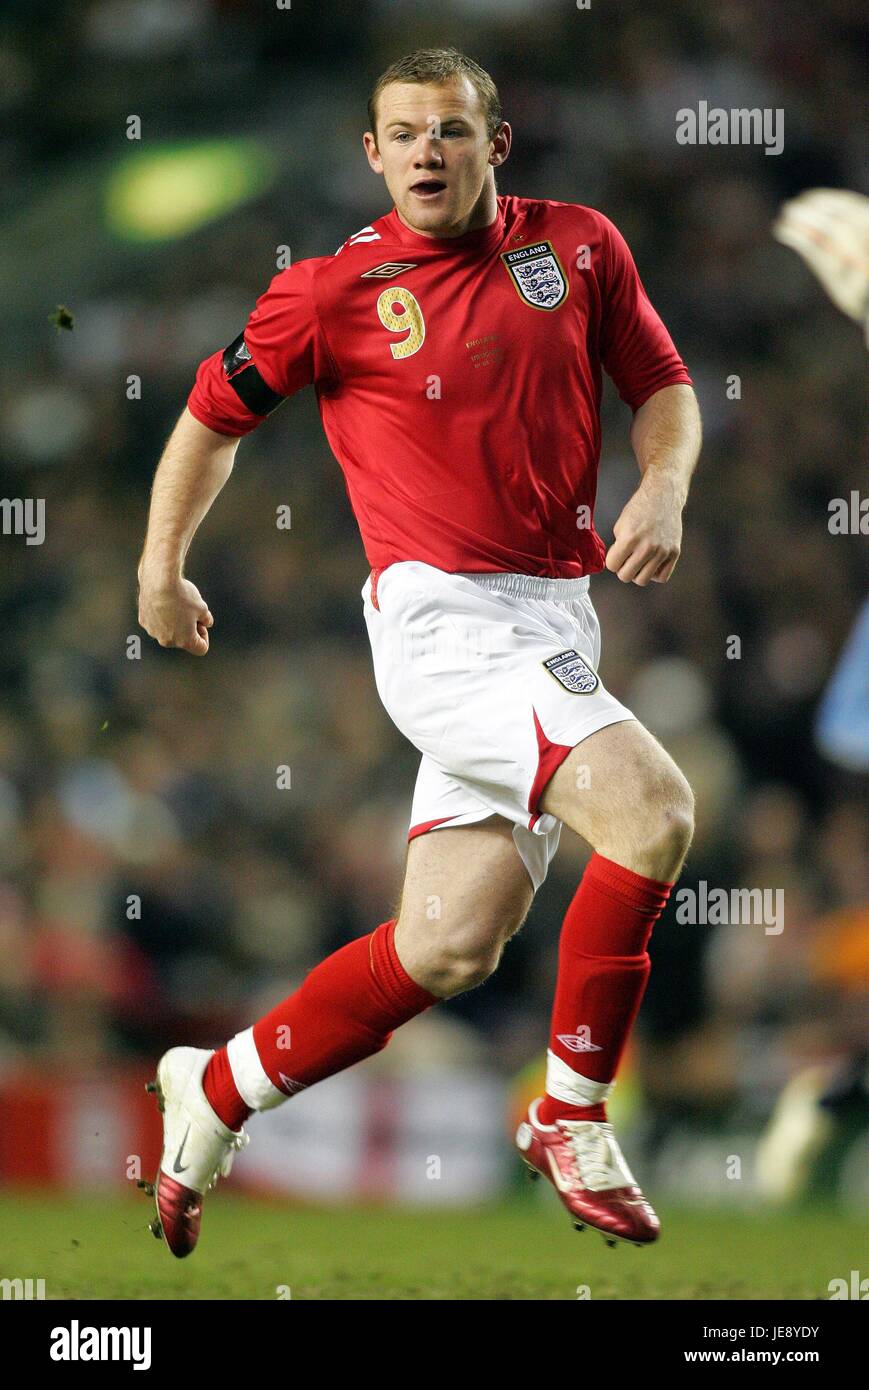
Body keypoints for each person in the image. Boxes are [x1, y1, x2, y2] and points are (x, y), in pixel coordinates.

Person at [137, 46, 702, 1258]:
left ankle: (219, 1088)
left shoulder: (582, 245)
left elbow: (660, 381)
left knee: (450, 938)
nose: (425, 154)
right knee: (651, 813)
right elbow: (208, 418)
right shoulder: (329, 290)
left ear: (494, 144)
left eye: (448, 131)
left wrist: (661, 486)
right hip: (444, 623)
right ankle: (568, 1111)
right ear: (373, 152)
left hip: (553, 612)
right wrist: (159, 566)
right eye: (402, 135)